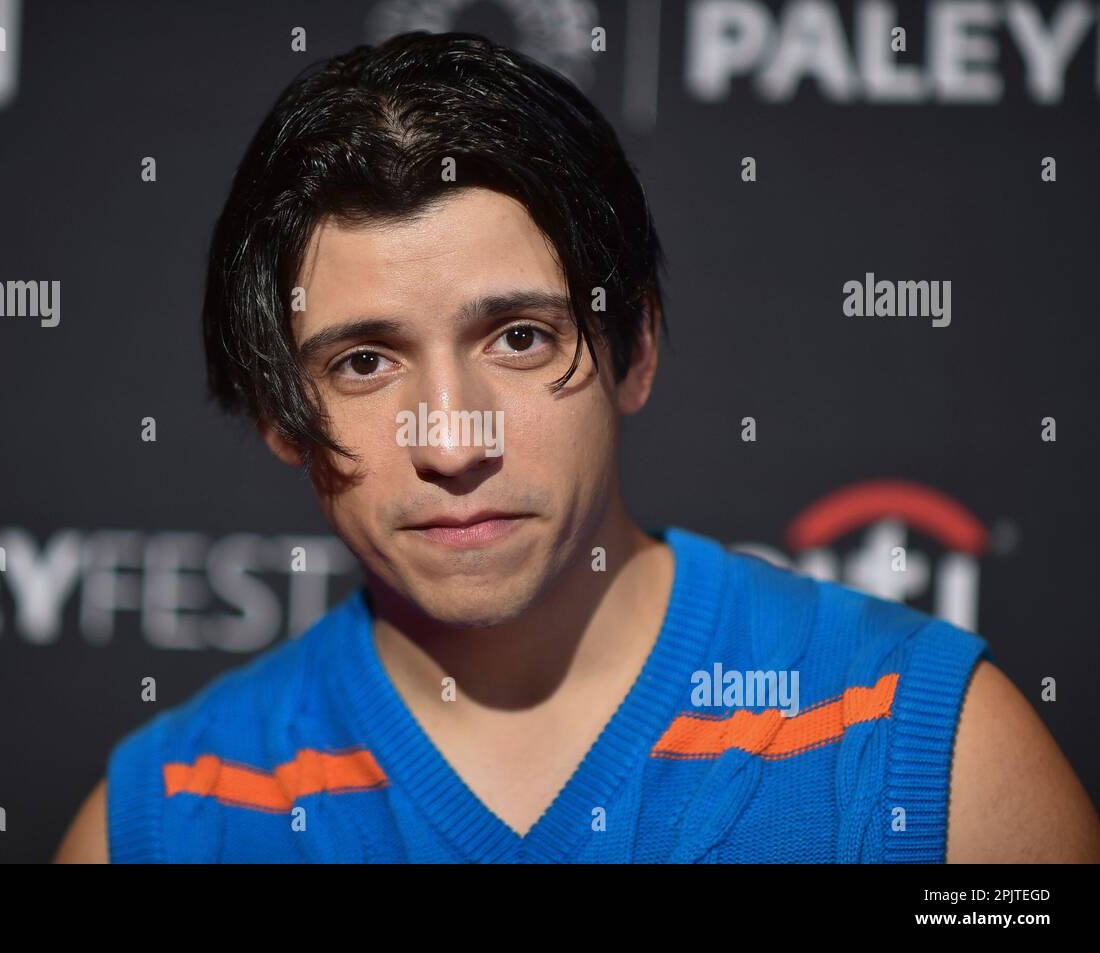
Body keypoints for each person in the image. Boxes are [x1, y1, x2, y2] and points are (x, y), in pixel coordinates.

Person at [54, 31, 1100, 863]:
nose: (452, 440)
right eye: (363, 362)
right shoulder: (167, 819)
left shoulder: (919, 747)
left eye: (518, 338)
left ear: (635, 347)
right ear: (279, 413)